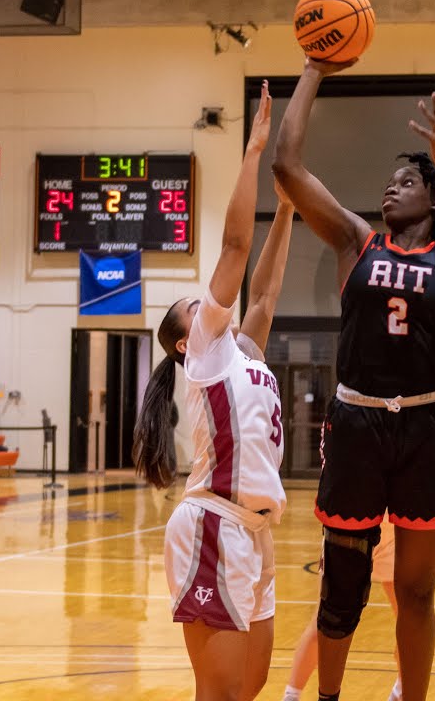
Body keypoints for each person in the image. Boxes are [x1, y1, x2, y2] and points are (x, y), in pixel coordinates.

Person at [273, 55, 435, 701]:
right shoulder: (356, 243)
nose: (390, 190)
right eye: (390, 182)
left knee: (415, 592)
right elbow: (287, 168)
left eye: (406, 183)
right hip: (358, 421)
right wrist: (313, 70)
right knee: (342, 587)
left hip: (427, 424)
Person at [132, 82, 295, 701]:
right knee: (221, 690)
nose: (209, 304)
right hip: (212, 524)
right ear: (183, 342)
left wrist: (284, 209)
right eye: (195, 307)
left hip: (255, 530)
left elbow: (266, 293)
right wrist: (252, 154)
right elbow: (234, 248)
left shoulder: (243, 352)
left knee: (249, 687)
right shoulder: (204, 350)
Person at [283, 523, 435, 701]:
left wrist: (433, 544)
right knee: (324, 620)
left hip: (397, 530)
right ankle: (290, 697)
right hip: (355, 523)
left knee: (409, 625)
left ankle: (399, 693)